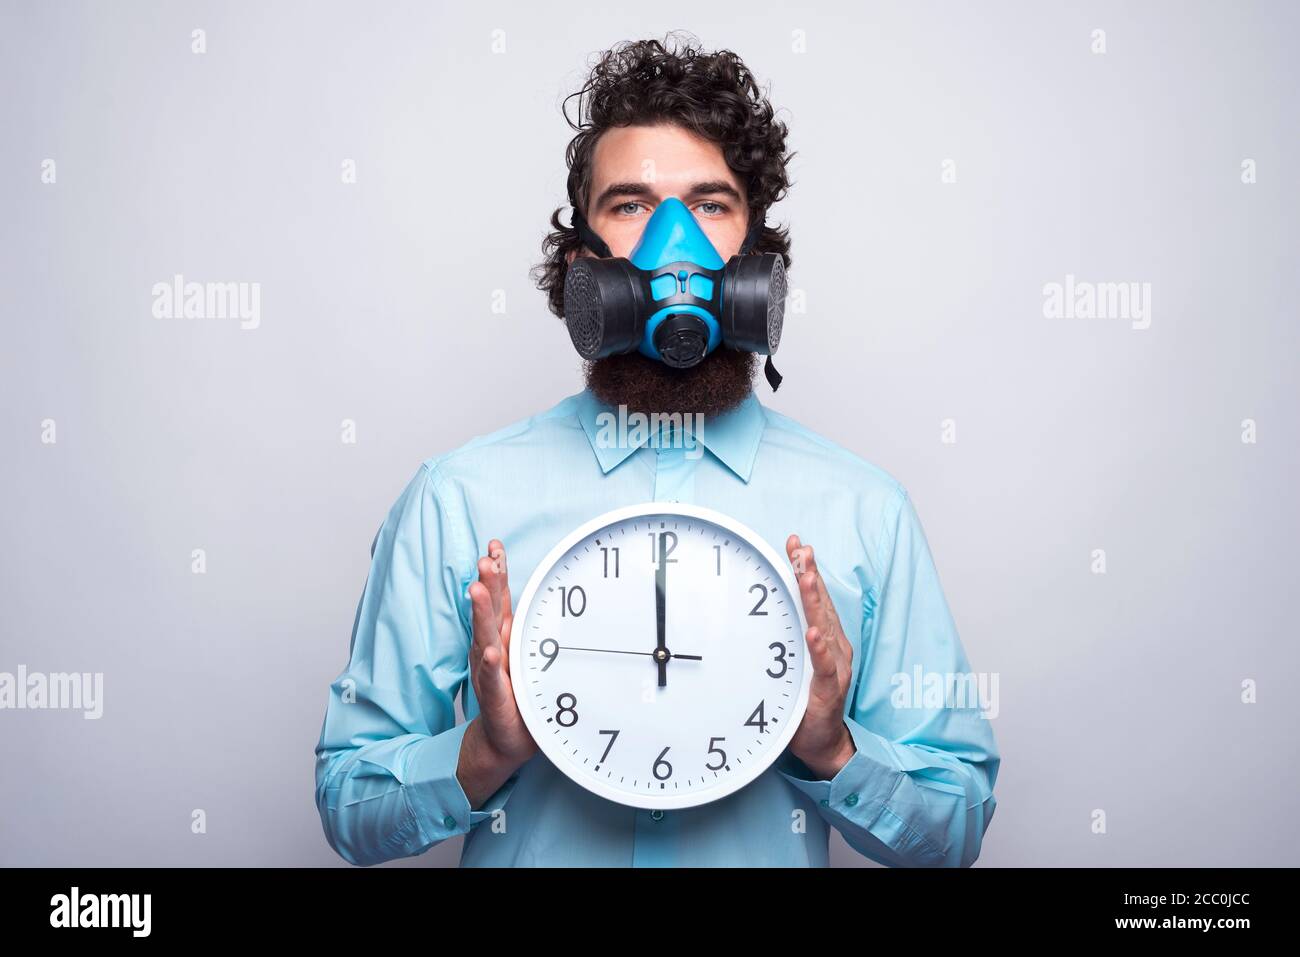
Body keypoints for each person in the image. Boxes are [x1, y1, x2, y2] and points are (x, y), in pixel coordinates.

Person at [313, 35, 999, 867]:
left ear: (756, 258)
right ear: (582, 264)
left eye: (710, 203)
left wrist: (834, 749)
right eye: (631, 204)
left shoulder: (866, 510)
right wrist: (484, 752)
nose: (673, 239)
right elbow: (349, 801)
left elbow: (955, 824)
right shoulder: (457, 497)